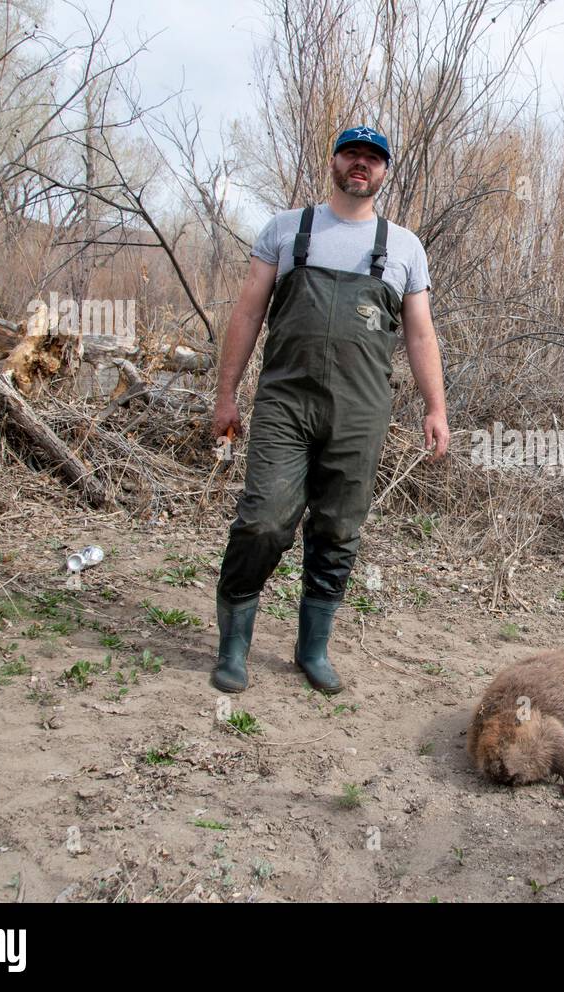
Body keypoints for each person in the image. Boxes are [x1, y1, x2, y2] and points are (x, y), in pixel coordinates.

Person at [210, 125, 449, 695]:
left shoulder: (404, 247)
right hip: (285, 404)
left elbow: (420, 336)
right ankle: (234, 647)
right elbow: (246, 315)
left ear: (384, 172)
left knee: (339, 529)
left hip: (361, 412)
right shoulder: (287, 229)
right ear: (335, 162)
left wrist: (435, 408)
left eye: (373, 158)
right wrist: (225, 393)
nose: (360, 164)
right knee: (264, 520)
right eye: (352, 154)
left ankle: (312, 649)